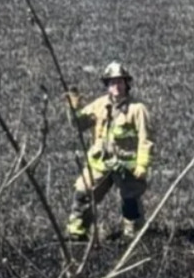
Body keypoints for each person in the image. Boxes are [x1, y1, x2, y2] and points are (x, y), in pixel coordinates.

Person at [65, 62, 153, 241]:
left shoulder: (137, 109)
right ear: (107, 85)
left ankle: (133, 237)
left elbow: (146, 140)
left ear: (127, 84)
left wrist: (142, 165)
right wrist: (72, 108)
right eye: (112, 83)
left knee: (130, 202)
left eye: (120, 82)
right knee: (83, 192)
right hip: (100, 164)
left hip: (127, 166)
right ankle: (77, 233)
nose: (116, 86)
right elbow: (78, 125)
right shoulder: (99, 105)